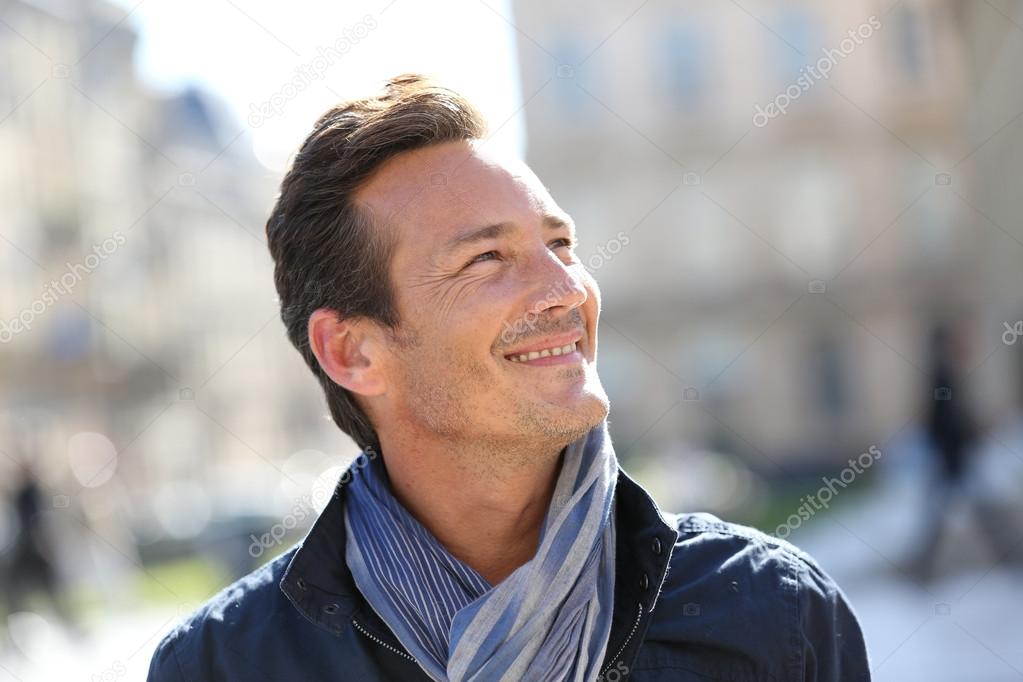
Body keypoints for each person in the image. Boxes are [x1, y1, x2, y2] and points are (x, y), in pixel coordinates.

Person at [148, 74, 871, 681]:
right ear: (352, 352)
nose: (566, 289)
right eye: (488, 258)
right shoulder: (223, 666)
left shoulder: (769, 615)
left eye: (560, 244)